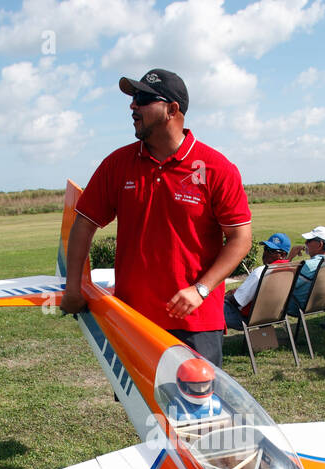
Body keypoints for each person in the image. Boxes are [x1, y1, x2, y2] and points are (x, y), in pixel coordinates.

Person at [60, 69, 253, 365]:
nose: (132, 107)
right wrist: (73, 288)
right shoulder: (117, 164)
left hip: (195, 322)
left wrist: (200, 290)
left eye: (142, 99)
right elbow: (83, 223)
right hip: (133, 319)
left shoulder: (216, 168)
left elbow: (240, 238)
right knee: (142, 411)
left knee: (196, 410)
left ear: (172, 110)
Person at [224, 233, 292, 329]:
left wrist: (226, 297)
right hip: (273, 315)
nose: (265, 253)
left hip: (245, 318)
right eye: (265, 249)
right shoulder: (291, 270)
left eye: (271, 251)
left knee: (210, 306)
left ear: (282, 255)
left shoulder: (261, 272)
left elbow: (237, 301)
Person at [287, 226, 325, 311]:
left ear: (320, 245)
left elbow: (284, 284)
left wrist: (289, 257)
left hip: (298, 306)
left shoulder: (308, 266)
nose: (305, 242)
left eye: (309, 241)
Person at [163, 357, 224, 422]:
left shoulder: (216, 404)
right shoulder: (175, 408)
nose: (201, 389)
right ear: (182, 384)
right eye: (195, 385)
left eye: (205, 385)